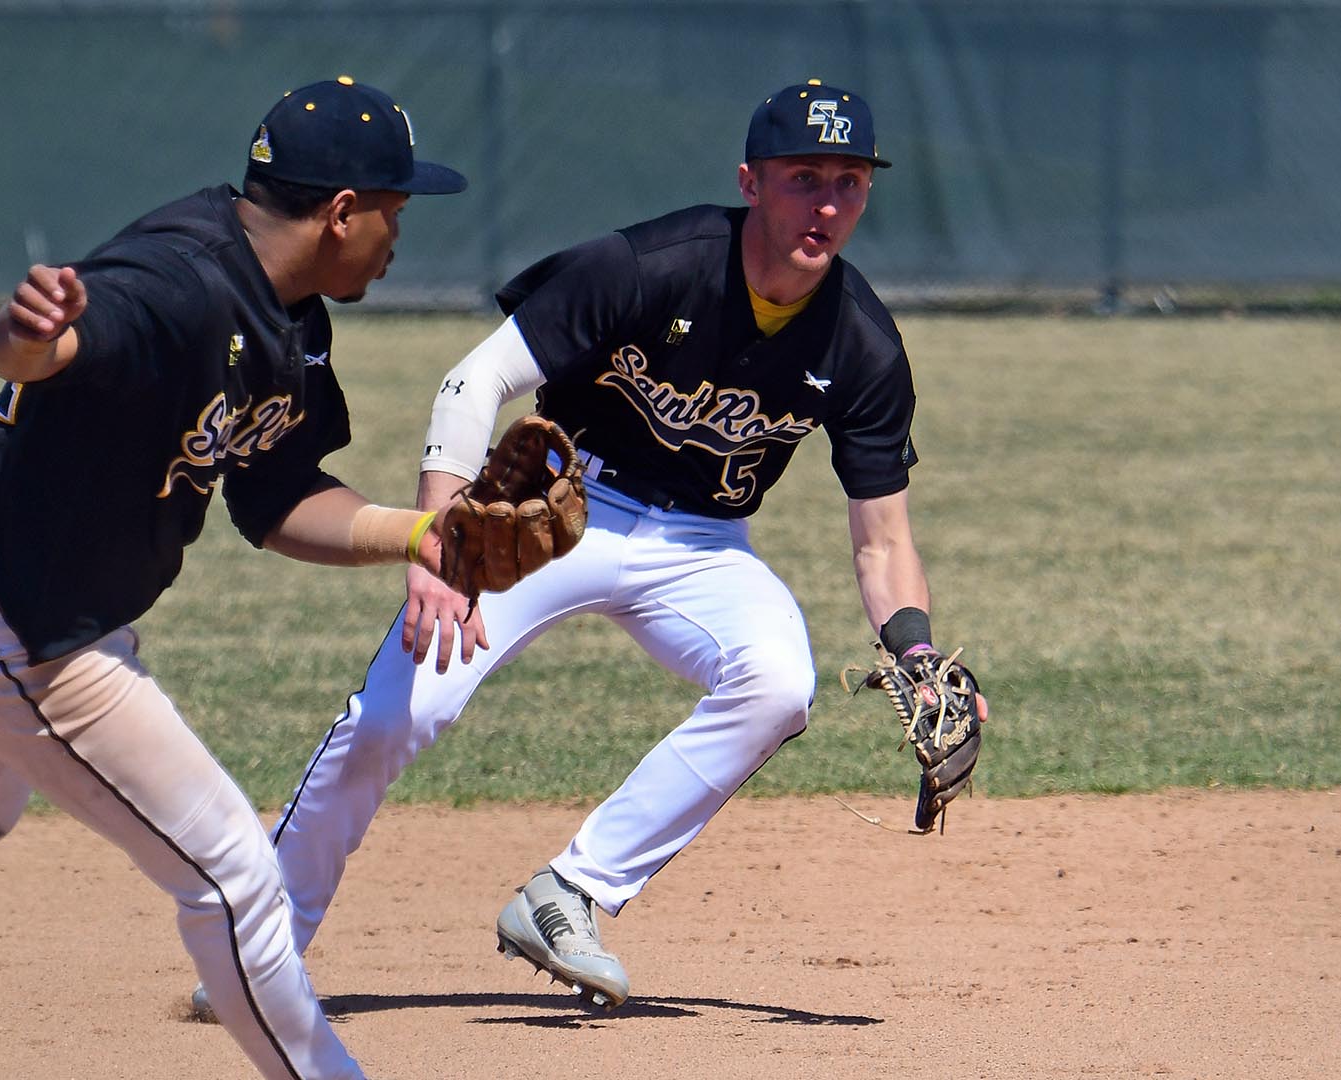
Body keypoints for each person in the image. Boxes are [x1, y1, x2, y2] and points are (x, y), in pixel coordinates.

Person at [221, 77, 986, 1014]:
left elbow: (883, 541)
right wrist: (441, 538)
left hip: (704, 542)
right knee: (399, 715)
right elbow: (475, 382)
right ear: (751, 180)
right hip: (549, 503)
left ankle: (570, 893)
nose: (826, 203)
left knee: (779, 682)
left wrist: (915, 653)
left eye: (849, 182)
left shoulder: (862, 343)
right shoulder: (649, 266)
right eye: (802, 177)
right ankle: (261, 951)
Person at [0, 77, 468, 1080]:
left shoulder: (292, 316)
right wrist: (26, 333)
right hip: (22, 629)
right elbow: (46, 346)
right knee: (237, 877)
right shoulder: (178, 283)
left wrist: (418, 532)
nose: (398, 232)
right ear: (342, 212)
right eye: (396, 210)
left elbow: (277, 498)